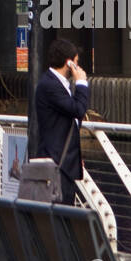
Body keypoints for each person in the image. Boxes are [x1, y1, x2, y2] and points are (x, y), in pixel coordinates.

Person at [34, 38, 89, 206]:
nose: (78, 68)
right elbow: (78, 110)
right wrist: (81, 83)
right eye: (77, 63)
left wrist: (76, 154)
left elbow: (69, 119)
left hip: (64, 162)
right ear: (69, 63)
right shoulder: (50, 85)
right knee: (59, 217)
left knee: (64, 212)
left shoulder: (57, 83)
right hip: (56, 163)